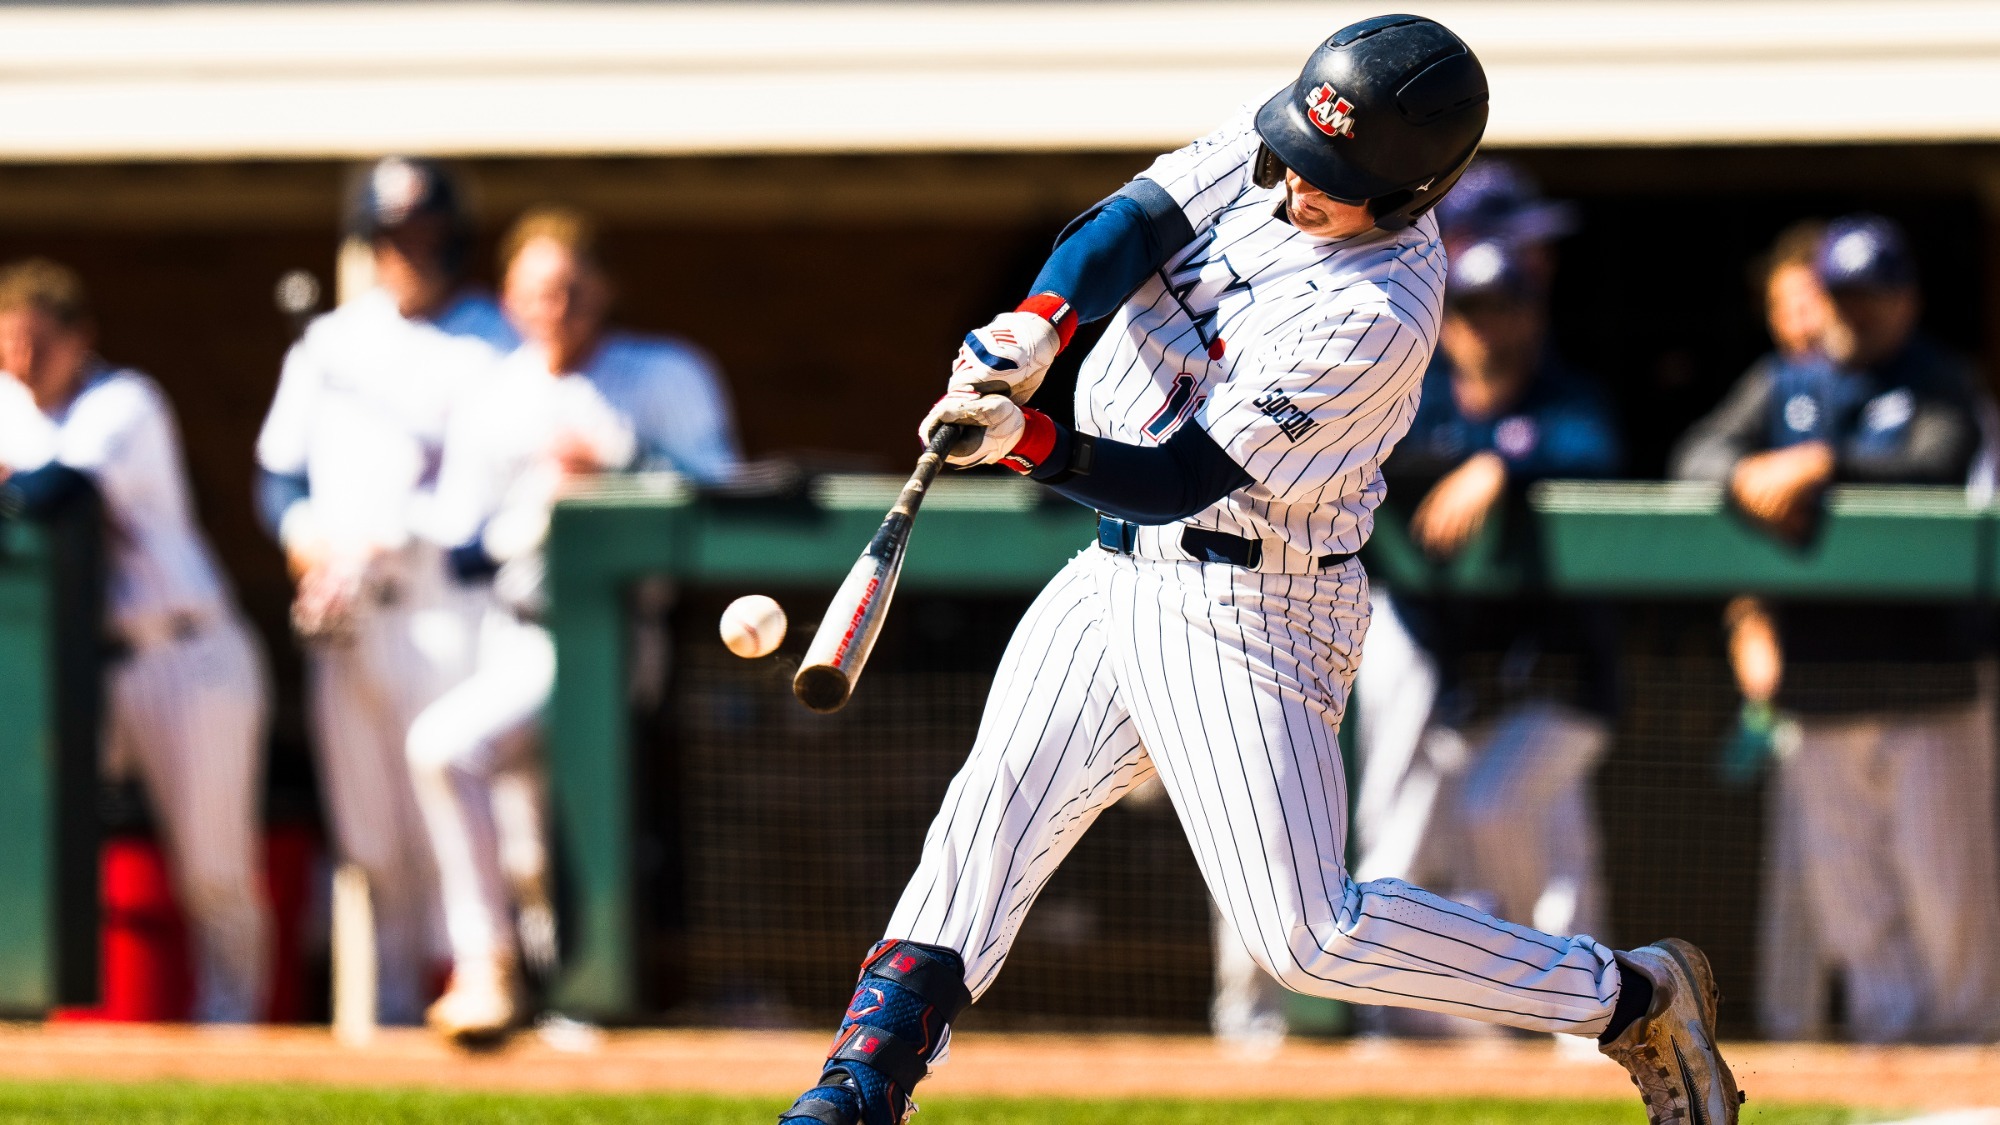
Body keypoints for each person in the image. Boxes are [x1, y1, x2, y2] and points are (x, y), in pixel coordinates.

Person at [778, 16, 1738, 1125]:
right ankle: (860, 1084)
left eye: (1335, 178)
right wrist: (1038, 326)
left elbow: (1181, 477)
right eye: (1298, 151)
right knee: (988, 814)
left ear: (1411, 192)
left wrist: (1028, 441)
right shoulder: (1292, 137)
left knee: (1305, 935)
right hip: (1111, 574)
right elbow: (1134, 218)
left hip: (1252, 604)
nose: (1297, 182)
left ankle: (1628, 997)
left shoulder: (1377, 312)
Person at [411, 205, 740, 1041]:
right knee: (522, 829)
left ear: (603, 288)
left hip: (620, 629)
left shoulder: (662, 373)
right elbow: (459, 545)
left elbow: (726, 487)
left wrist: (617, 466)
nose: (553, 307)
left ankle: (502, 970)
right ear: (508, 298)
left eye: (569, 288)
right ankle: (536, 991)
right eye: (535, 291)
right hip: (516, 624)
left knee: (457, 753)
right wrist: (533, 512)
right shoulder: (496, 391)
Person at [1673, 215, 2000, 1042]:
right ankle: (1888, 1047)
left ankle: (1970, 1048)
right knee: (1850, 890)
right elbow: (1695, 455)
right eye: (1844, 293)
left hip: (1929, 678)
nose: (1858, 311)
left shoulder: (1939, 378)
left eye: (1875, 294)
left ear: (1907, 298)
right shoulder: (1788, 383)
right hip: (1820, 675)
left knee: (1946, 886)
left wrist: (1822, 465)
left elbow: (1938, 462)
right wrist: (1749, 474)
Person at [1347, 168, 1622, 1040]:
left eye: (1507, 304)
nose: (1486, 323)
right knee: (1433, 832)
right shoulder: (1407, 376)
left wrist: (1503, 457)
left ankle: (1584, 1006)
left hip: (1554, 673)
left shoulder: (1564, 394)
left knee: (1517, 820)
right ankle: (1436, 1016)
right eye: (1471, 309)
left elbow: (1597, 447)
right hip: (1437, 647)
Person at [253, 156, 517, 1026]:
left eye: (425, 234)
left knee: (455, 813)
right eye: (394, 236)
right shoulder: (332, 340)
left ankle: (481, 992)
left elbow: (493, 493)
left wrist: (399, 532)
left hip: (445, 609)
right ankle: (395, 1012)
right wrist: (307, 542)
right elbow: (279, 474)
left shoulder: (493, 339)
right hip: (349, 615)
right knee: (368, 831)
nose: (409, 252)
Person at [0, 259, 273, 1022]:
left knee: (213, 868)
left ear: (80, 339)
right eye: (9, 342)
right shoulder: (9, 403)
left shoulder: (123, 401)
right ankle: (30, 1011)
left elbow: (49, 493)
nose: (23, 359)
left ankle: (234, 1024)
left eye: (39, 342)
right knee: (29, 833)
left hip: (184, 652)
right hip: (77, 663)